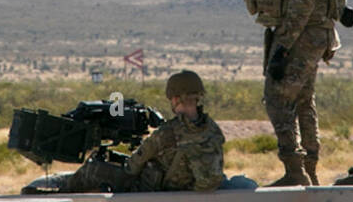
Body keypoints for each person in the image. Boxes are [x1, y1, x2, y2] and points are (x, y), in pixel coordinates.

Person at [23, 71, 228, 194]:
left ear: (175, 99)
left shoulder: (166, 134)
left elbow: (131, 168)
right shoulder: (213, 130)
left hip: (152, 191)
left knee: (92, 170)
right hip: (184, 192)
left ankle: (59, 195)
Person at [258, 0, 346, 186]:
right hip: (312, 37)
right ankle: (309, 170)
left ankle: (296, 170)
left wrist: (283, 47)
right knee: (303, 100)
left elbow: (302, 4)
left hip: (301, 38)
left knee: (277, 97)